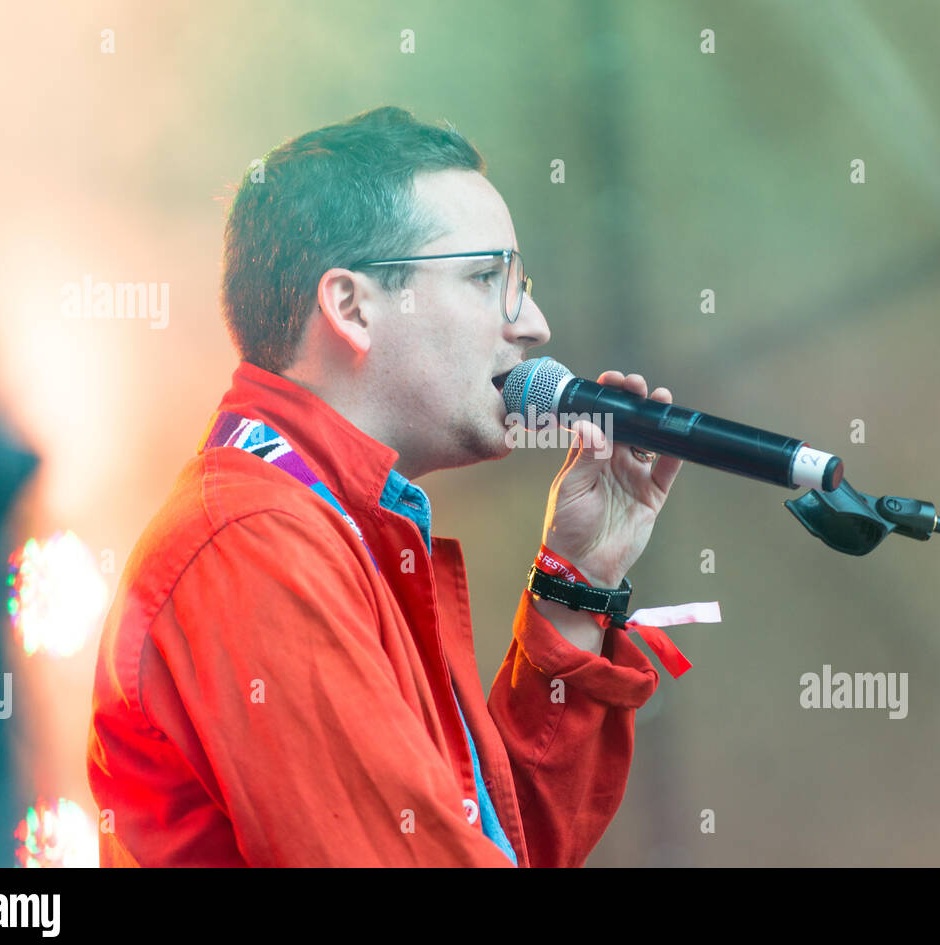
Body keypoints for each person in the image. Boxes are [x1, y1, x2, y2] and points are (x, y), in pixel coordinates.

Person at [86, 106, 685, 866]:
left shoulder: (323, 529)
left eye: (520, 282)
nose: (533, 321)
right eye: (485, 277)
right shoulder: (253, 542)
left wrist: (580, 581)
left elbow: (494, 847)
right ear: (352, 307)